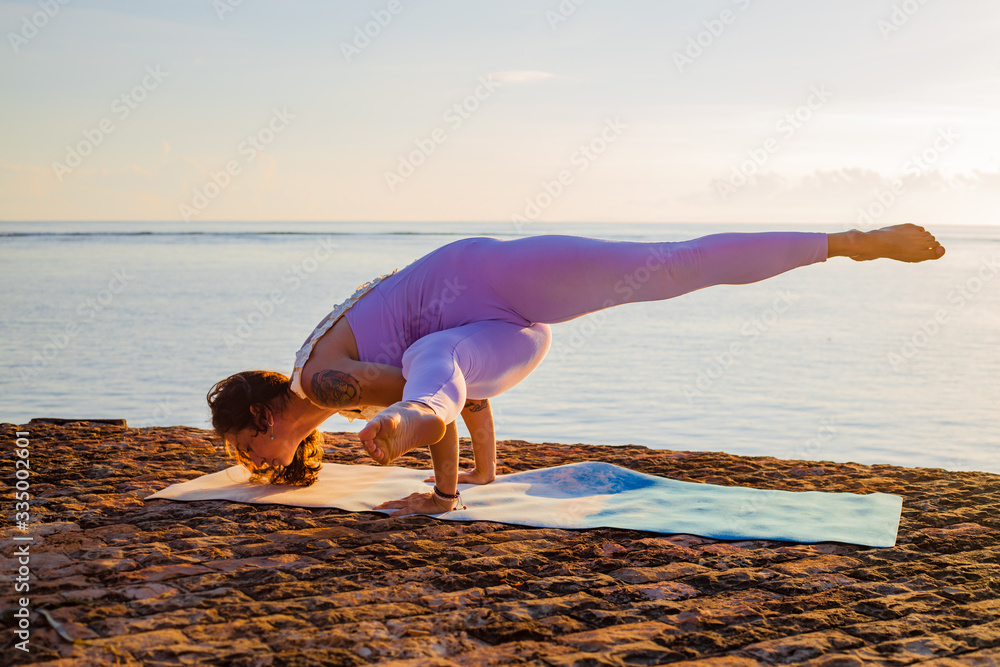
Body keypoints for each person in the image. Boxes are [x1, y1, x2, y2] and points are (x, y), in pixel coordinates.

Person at [207, 224, 944, 516]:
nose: (250, 461)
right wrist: (474, 480)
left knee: (665, 265)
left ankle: (850, 241)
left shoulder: (322, 383)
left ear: (262, 417)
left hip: (481, 275)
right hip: (497, 336)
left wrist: (436, 463)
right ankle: (428, 453)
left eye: (243, 448)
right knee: (438, 364)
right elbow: (466, 394)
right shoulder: (332, 389)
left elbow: (448, 399)